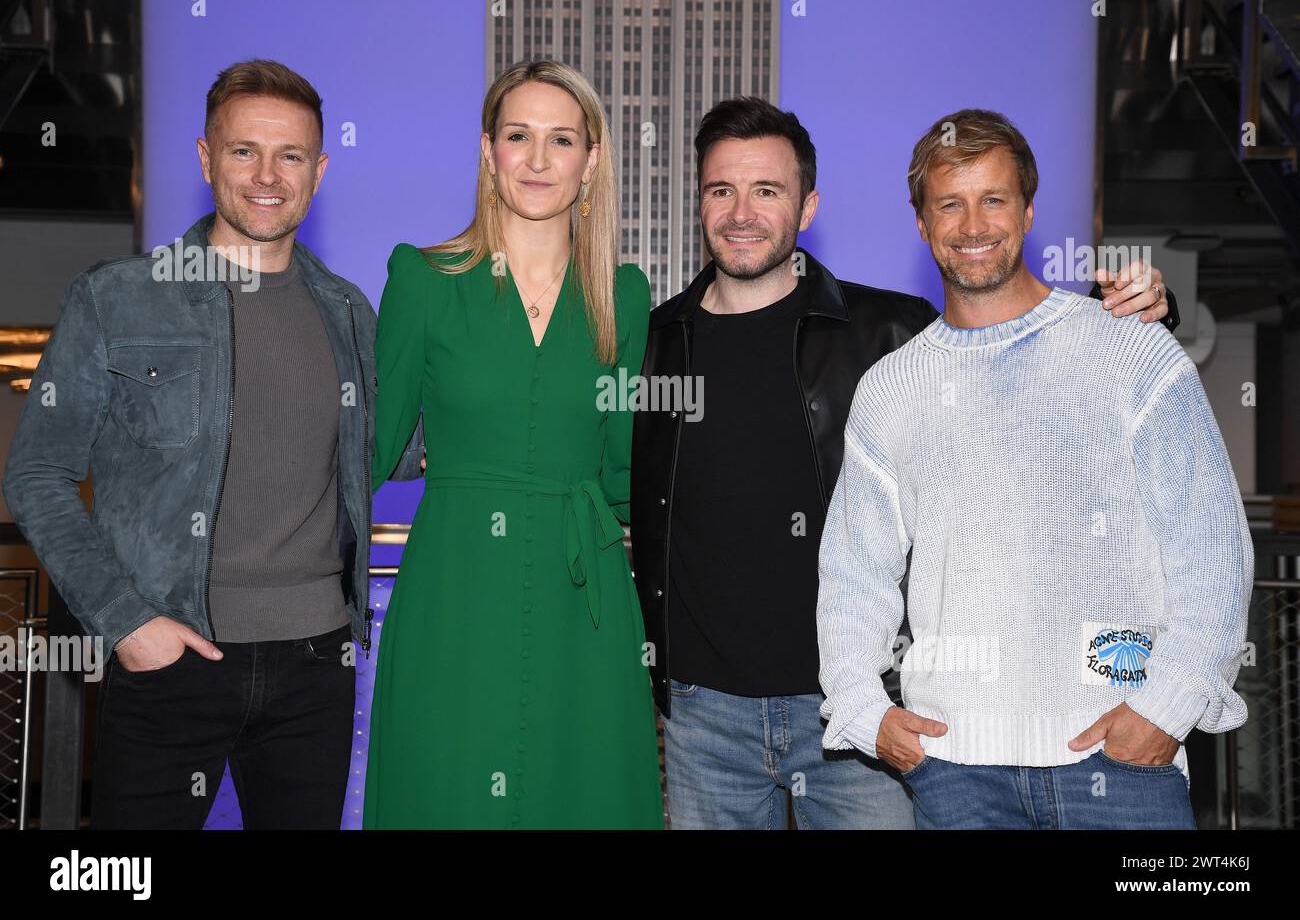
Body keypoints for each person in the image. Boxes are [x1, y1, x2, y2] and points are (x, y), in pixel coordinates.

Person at [631, 97, 1179, 829]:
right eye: (721, 189)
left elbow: (1020, 349)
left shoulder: (891, 331)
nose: (741, 211)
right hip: (705, 719)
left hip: (867, 719)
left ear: (808, 203)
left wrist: (1138, 312)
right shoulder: (654, 344)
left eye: (767, 190)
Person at [3, 59, 422, 828]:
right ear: (205, 158)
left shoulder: (349, 312)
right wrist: (125, 621)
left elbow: (394, 451)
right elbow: (36, 474)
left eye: (290, 155)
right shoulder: (117, 297)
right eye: (243, 151)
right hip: (170, 657)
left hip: (314, 665)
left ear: (318, 170)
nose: (268, 175)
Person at [816, 108, 1252, 830]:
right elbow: (853, 573)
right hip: (956, 773)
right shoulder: (891, 388)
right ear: (922, 224)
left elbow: (1212, 545)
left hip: (1121, 761)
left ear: (1027, 210)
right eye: (949, 203)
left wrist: (1167, 708)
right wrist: (863, 709)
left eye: (993, 199)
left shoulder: (1129, 350)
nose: (973, 223)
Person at [364, 60, 663, 829]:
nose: (537, 159)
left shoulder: (623, 295)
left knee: (582, 794)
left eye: (560, 140)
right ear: (489, 152)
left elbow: (630, 472)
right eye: (518, 136)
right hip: (454, 594)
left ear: (590, 160)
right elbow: (363, 452)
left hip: (586, 606)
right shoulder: (422, 279)